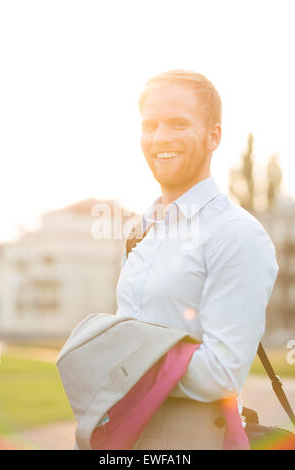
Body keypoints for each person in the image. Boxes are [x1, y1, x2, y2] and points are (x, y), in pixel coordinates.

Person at [115, 70, 279, 448]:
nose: (161, 138)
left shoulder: (237, 234)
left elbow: (223, 372)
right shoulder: (141, 230)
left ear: (213, 136)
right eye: (150, 125)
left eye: (178, 124)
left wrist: (116, 366)